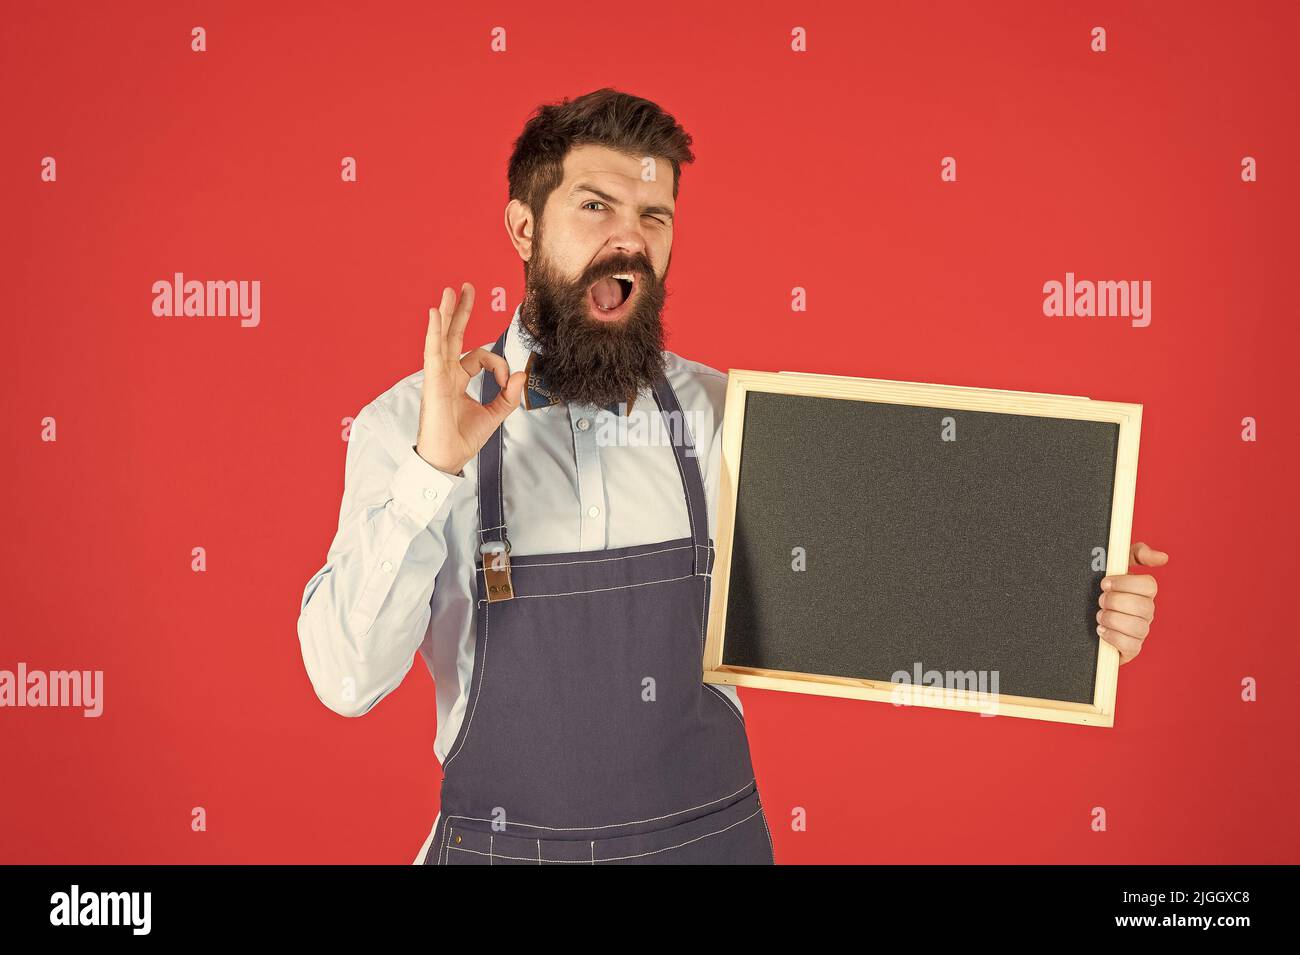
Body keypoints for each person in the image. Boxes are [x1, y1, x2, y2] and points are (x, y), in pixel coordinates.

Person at [296, 88, 1167, 866]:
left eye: (655, 214)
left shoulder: (729, 416)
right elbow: (346, 680)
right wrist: (433, 469)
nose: (628, 239)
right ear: (525, 227)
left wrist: (1076, 592)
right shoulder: (407, 426)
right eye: (596, 206)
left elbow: (913, 564)